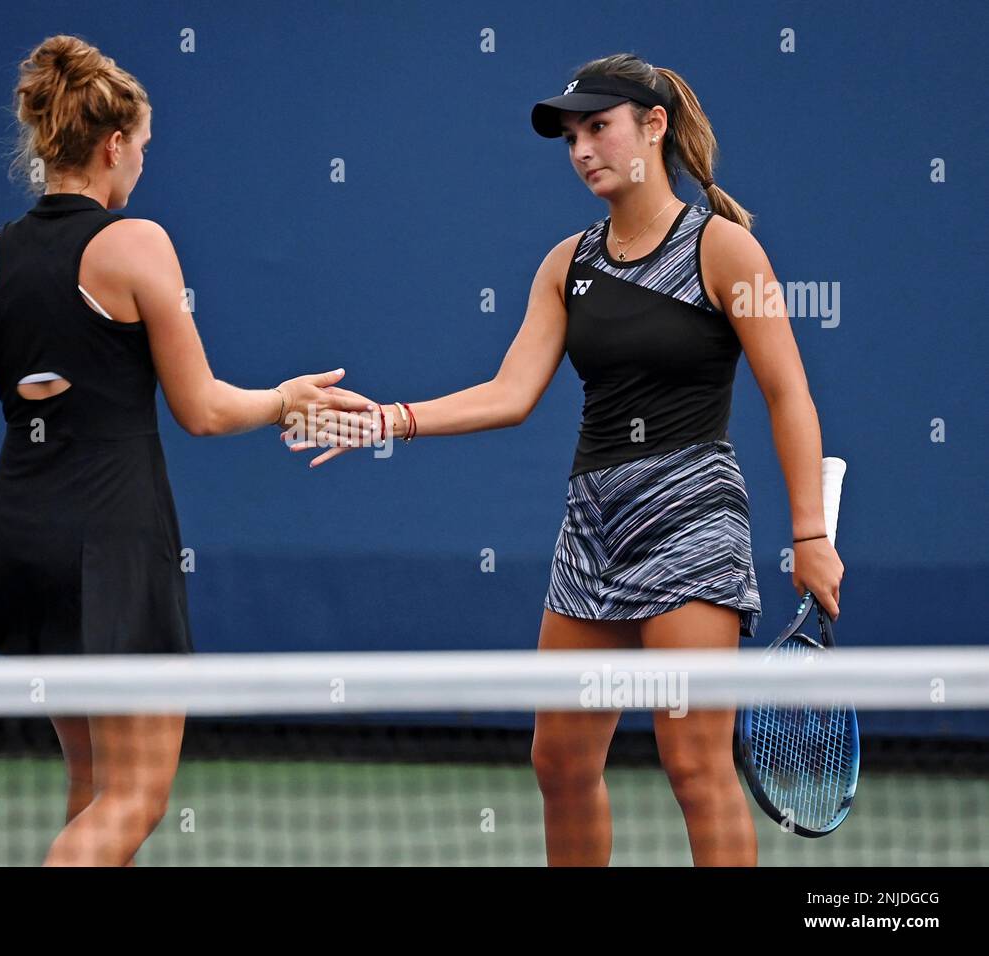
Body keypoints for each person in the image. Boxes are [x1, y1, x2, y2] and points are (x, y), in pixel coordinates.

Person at [289, 53, 845, 866]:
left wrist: (809, 534)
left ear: (652, 128)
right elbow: (510, 392)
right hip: (594, 530)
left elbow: (789, 394)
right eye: (571, 135)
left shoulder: (724, 252)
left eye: (598, 127)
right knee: (559, 761)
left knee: (693, 765)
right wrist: (387, 420)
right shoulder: (567, 264)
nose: (582, 149)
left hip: (692, 520)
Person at [0, 34, 371, 866]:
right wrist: (283, 400)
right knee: (138, 794)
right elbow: (201, 408)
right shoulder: (137, 244)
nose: (144, 168)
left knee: (91, 778)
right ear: (113, 144)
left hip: (13, 552)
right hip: (111, 550)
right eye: (144, 149)